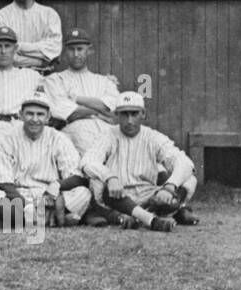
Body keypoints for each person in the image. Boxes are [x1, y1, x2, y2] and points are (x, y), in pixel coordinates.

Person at [82, 91, 199, 231]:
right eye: (124, 114)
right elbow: (88, 161)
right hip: (118, 193)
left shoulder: (152, 136)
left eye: (134, 114)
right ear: (117, 115)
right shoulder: (108, 135)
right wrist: (110, 177)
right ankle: (153, 219)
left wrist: (169, 186)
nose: (129, 120)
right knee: (98, 183)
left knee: (189, 179)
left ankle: (139, 215)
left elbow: (183, 161)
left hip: (148, 194)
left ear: (143, 114)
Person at [0, 95, 95, 230]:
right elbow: (4, 183)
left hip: (50, 195)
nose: (35, 119)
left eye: (40, 114)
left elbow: (77, 177)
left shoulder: (58, 138)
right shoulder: (7, 139)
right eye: (30, 114)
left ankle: (29, 220)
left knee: (83, 193)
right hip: (18, 194)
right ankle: (55, 217)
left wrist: (57, 186)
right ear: (20, 115)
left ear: (48, 117)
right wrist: (29, 207)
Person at [40, 29, 121, 155]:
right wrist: (99, 111)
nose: (76, 54)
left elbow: (113, 110)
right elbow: (70, 114)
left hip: (107, 130)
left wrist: (76, 99)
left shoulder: (104, 81)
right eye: (71, 49)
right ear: (65, 51)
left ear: (88, 51)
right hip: (75, 131)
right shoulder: (55, 80)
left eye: (80, 49)